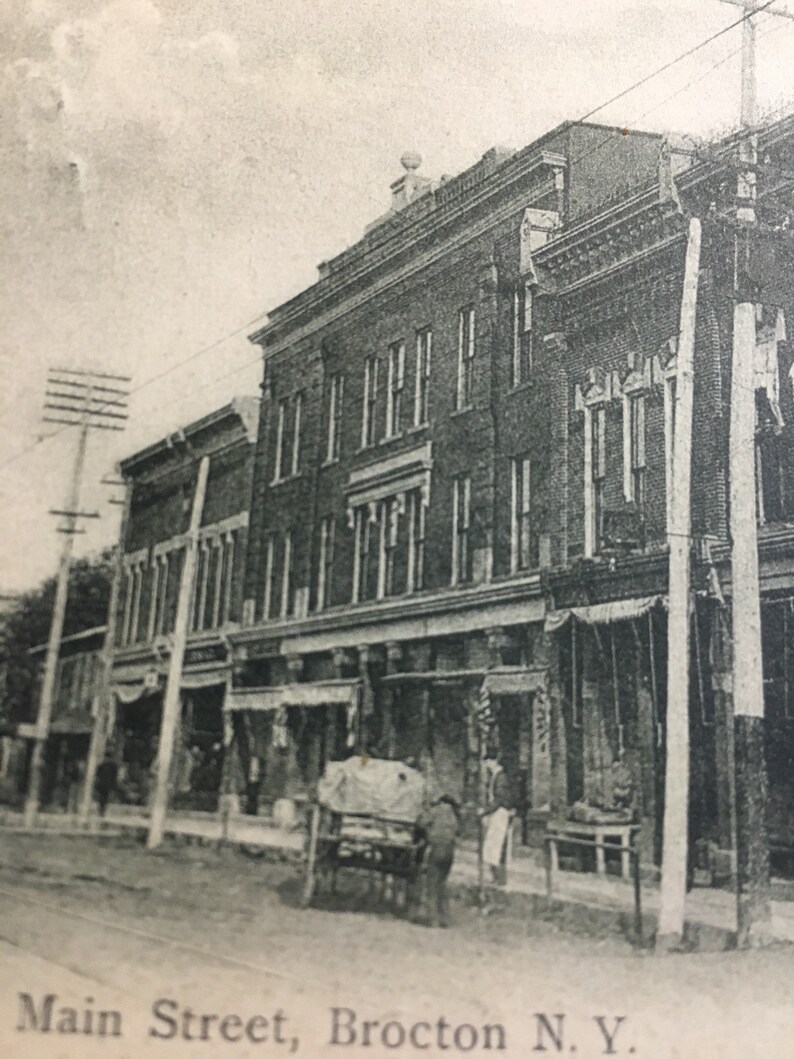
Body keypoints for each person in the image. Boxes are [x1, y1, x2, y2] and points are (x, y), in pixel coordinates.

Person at [412, 794, 461, 928]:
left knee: (431, 883)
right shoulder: (453, 815)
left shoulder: (436, 811)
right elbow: (458, 831)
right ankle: (445, 919)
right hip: (450, 851)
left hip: (437, 848)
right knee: (442, 884)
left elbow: (420, 823)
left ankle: (432, 919)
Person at [481, 758, 513, 886]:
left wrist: (485, 811)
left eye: (487, 762)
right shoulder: (495, 776)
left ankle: (499, 879)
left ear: (493, 761)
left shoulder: (500, 777)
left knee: (495, 846)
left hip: (499, 813)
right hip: (496, 813)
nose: (486, 765)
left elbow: (499, 799)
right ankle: (496, 878)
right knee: (492, 847)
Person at [94, 752, 118, 817]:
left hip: (103, 784)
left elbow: (97, 775)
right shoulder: (113, 766)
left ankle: (101, 810)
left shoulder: (102, 765)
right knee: (104, 798)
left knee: (102, 797)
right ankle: (102, 810)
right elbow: (114, 776)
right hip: (107, 784)